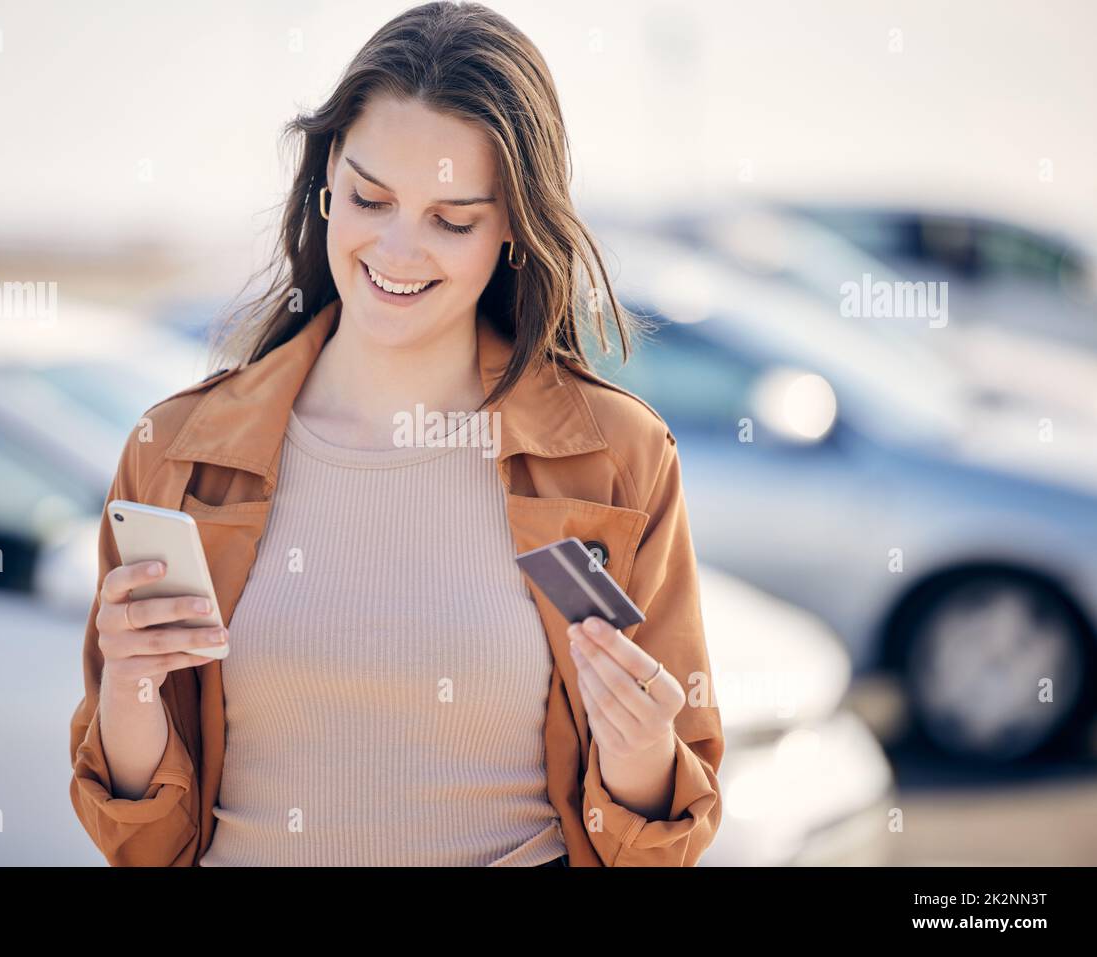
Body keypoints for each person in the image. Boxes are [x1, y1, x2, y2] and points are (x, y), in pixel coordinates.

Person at [69, 0, 723, 867]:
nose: (399, 250)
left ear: (515, 231)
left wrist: (641, 754)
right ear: (328, 176)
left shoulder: (616, 458)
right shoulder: (176, 454)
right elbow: (142, 842)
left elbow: (660, 842)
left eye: (453, 219)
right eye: (372, 198)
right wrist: (131, 685)